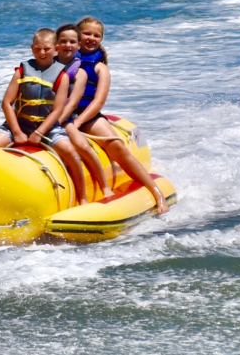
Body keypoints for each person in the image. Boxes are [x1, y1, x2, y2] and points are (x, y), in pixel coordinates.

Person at [63, 17, 170, 214]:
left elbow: (98, 102)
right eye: (87, 33)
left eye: (97, 36)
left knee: (117, 147)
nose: (91, 38)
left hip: (88, 117)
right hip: (61, 115)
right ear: (77, 35)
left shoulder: (100, 68)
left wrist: (78, 121)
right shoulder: (63, 59)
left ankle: (156, 192)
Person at [0, 29, 88, 205]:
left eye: (47, 49)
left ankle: (82, 198)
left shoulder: (62, 76)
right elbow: (6, 103)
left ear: (56, 49)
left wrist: (40, 133)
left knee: (71, 153)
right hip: (18, 124)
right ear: (32, 48)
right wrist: (17, 132)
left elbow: (58, 110)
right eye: (38, 49)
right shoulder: (21, 71)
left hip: (48, 127)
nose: (42, 53)